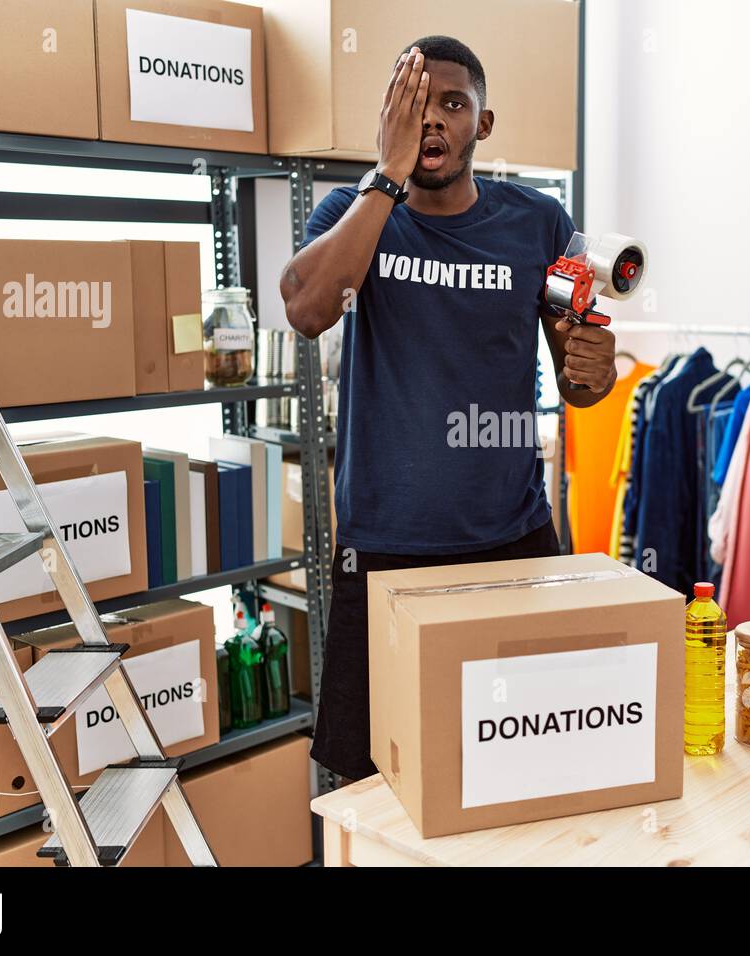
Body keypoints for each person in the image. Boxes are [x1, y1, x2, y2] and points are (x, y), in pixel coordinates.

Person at [279, 36, 618, 782]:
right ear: (389, 119)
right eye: (415, 104)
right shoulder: (354, 213)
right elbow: (308, 309)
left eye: (452, 104)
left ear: (483, 125)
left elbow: (581, 383)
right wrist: (386, 178)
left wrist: (600, 365)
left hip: (513, 543)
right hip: (385, 548)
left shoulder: (541, 224)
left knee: (530, 759)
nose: (432, 121)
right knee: (375, 779)